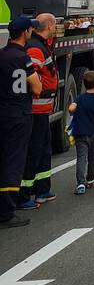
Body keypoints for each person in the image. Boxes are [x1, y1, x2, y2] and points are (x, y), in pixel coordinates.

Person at [0, 15, 41, 228]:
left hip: (2, 111)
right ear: (25, 32)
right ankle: (6, 211)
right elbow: (36, 88)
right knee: (13, 161)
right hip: (19, 114)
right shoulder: (23, 58)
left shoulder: (2, 55)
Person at [17, 12, 59, 208]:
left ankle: (42, 188)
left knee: (43, 149)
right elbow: (30, 75)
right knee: (34, 151)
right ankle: (24, 193)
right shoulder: (35, 48)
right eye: (55, 25)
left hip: (42, 108)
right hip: (35, 108)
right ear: (49, 27)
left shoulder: (41, 45)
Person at [68, 68, 94, 194]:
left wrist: (73, 109)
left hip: (80, 132)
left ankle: (80, 183)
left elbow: (71, 108)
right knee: (92, 156)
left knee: (81, 157)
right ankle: (90, 179)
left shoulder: (80, 98)